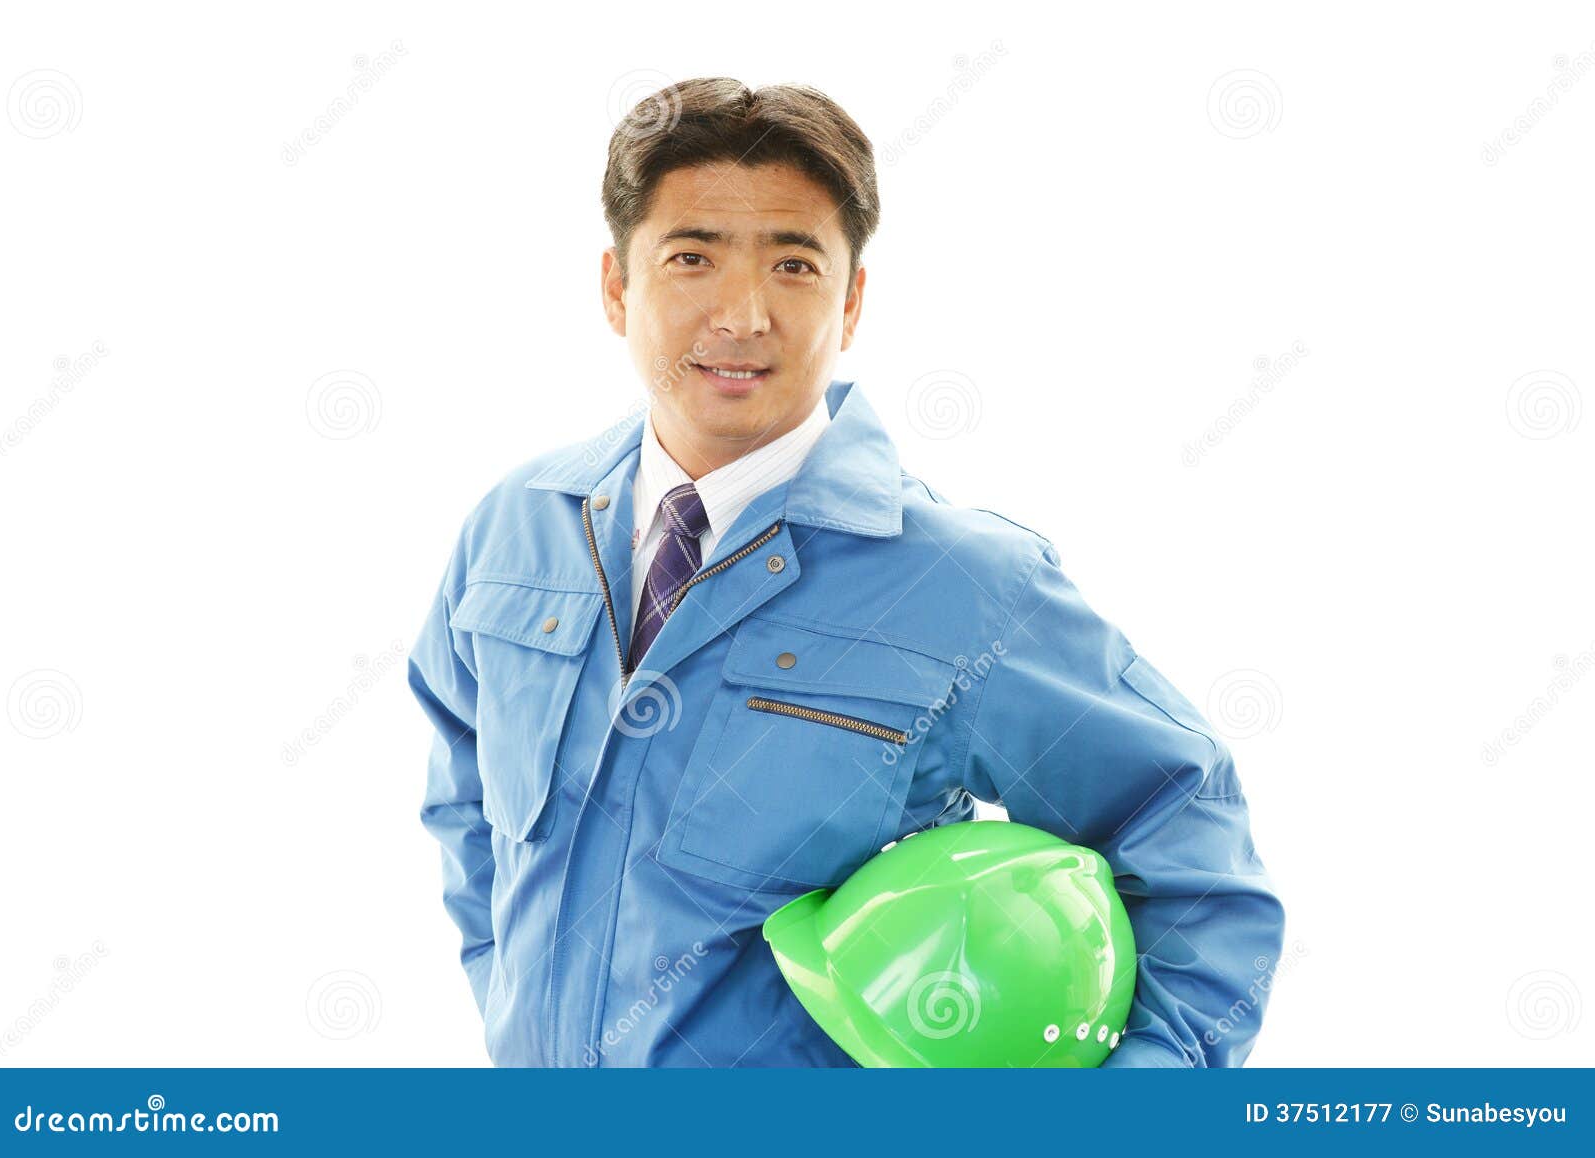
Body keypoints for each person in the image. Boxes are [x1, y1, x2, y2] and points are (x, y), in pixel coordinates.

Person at [408, 77, 1284, 1067]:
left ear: (851, 299)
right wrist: (515, 1018)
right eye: (692, 257)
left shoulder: (961, 584)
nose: (742, 314)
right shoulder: (519, 529)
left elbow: (1187, 839)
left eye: (793, 265)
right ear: (616, 286)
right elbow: (469, 813)